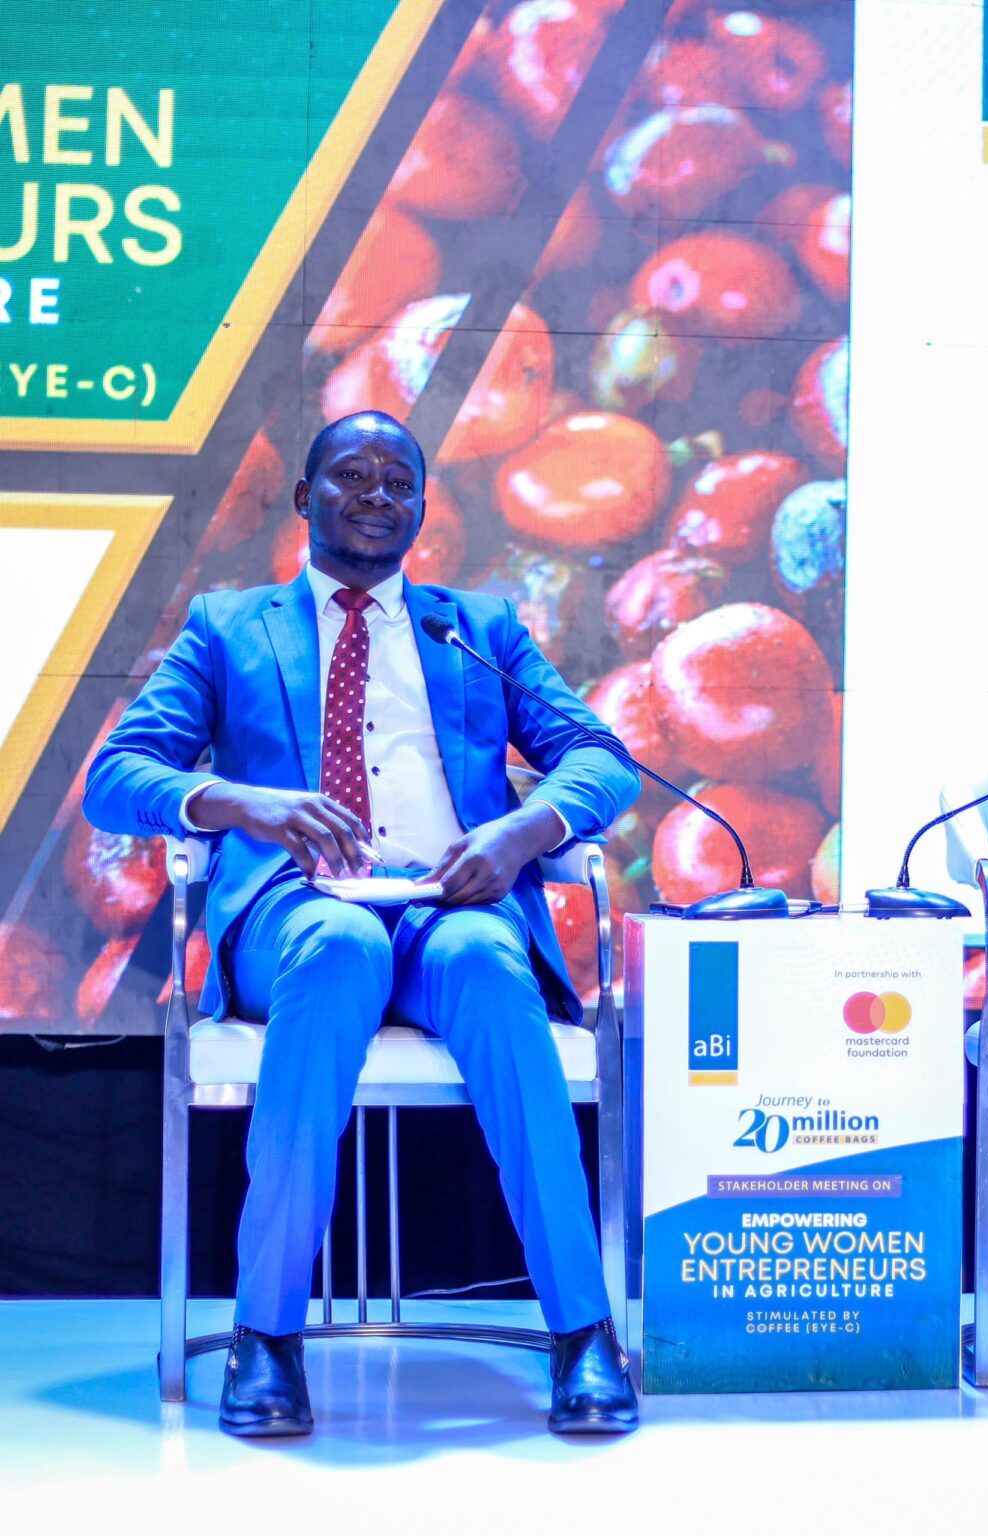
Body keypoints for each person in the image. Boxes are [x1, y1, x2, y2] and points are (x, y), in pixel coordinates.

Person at [84, 411, 641, 1438]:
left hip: (449, 903)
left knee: (487, 962)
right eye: (352, 475)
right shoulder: (229, 623)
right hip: (298, 913)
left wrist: (520, 834)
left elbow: (599, 756)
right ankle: (266, 1337)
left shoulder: (477, 625)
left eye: (400, 482)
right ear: (305, 499)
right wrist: (245, 803)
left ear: (424, 510)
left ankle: (583, 1333)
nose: (378, 495)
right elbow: (118, 778)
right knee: (339, 950)